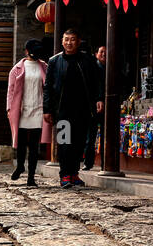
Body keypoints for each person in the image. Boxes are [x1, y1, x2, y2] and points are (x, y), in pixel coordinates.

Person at [44, 27, 103, 189]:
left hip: (83, 109)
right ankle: (64, 175)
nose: (69, 42)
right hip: (62, 110)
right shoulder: (54, 61)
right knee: (64, 143)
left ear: (78, 42)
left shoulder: (87, 60)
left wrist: (99, 98)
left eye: (72, 39)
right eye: (66, 39)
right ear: (62, 42)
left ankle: (74, 173)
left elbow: (96, 81)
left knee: (78, 143)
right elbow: (48, 87)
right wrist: (47, 109)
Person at [6, 38, 50, 186]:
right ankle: (20, 166)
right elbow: (10, 91)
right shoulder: (17, 69)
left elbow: (48, 88)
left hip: (38, 109)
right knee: (21, 142)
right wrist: (9, 108)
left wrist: (49, 107)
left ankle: (31, 177)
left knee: (34, 146)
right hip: (22, 110)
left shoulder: (44, 66)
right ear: (26, 51)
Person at [84, 44, 106, 170]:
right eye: (101, 52)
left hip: (107, 107)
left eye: (106, 52)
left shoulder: (111, 69)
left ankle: (104, 163)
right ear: (96, 54)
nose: (103, 54)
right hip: (93, 106)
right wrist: (98, 99)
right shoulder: (92, 68)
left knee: (105, 136)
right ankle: (88, 162)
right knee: (90, 137)